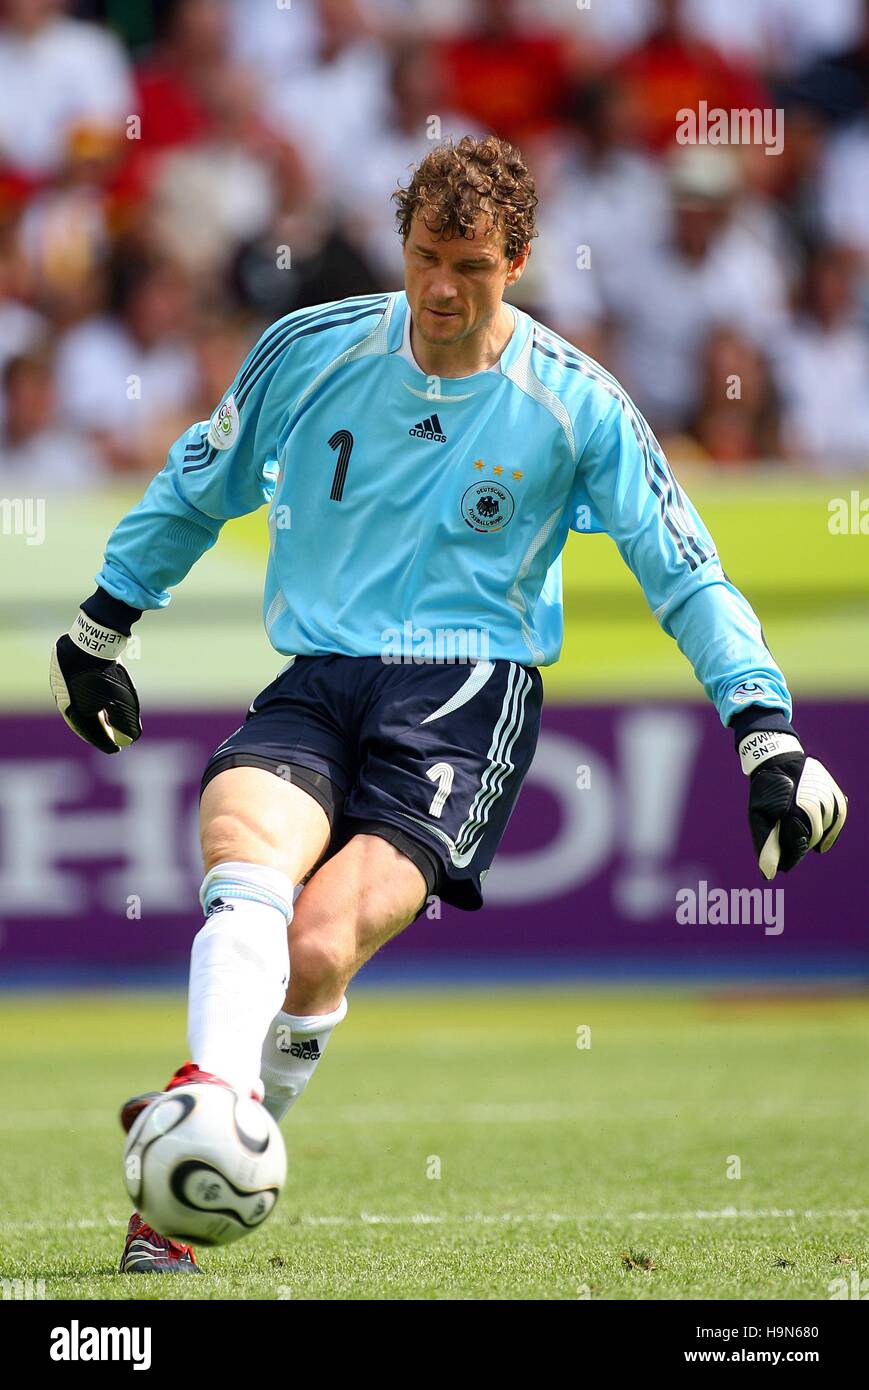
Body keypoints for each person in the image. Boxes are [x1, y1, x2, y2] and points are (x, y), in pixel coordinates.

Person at [49, 135, 847, 1274]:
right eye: (424, 255)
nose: (438, 288)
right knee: (240, 845)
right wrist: (103, 621)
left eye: (468, 265)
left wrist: (761, 726)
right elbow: (199, 478)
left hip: (467, 695)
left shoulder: (574, 403)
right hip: (317, 674)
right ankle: (195, 1149)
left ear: (515, 261)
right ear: (401, 244)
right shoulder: (309, 351)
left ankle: (209, 1134)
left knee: (317, 949)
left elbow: (683, 572)